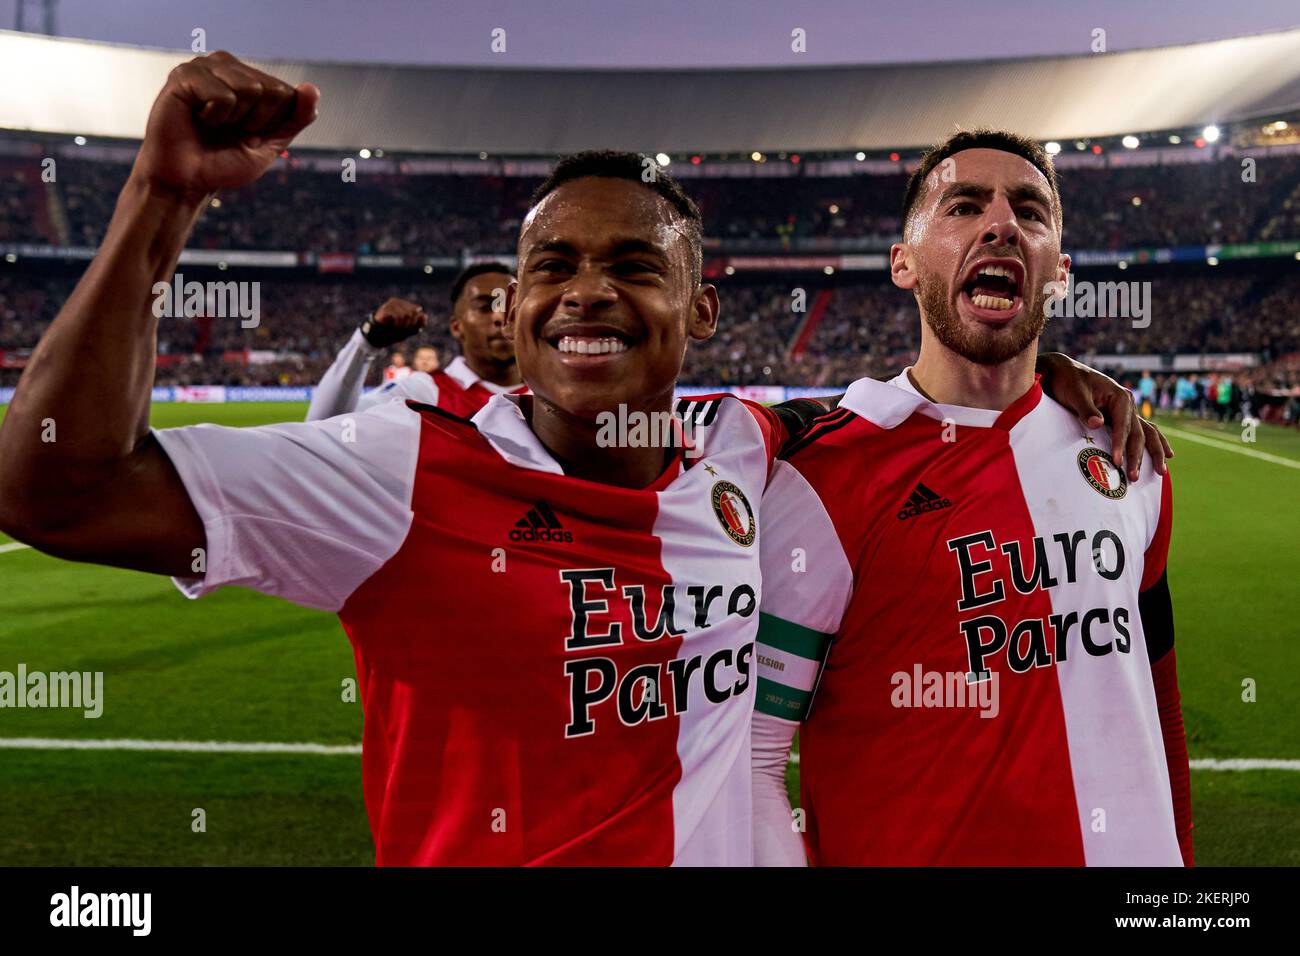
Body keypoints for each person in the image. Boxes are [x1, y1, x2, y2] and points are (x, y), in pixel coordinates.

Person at [0, 54, 1163, 866]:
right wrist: (158, 203)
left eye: (632, 264)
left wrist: (1052, 379)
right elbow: (56, 483)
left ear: (701, 311)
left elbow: (934, 409)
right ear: (511, 311)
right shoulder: (399, 468)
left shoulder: (747, 447)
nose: (587, 290)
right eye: (551, 265)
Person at [752, 129, 1190, 867]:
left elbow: (1160, 710)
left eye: (1029, 209)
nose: (1001, 224)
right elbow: (756, 762)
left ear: (1060, 271)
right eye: (962, 206)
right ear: (904, 262)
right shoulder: (818, 482)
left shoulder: (1128, 456)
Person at [306, 263, 526, 421]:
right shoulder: (422, 395)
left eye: (509, 305)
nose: (500, 316)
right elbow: (322, 427)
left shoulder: (554, 394)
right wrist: (365, 343)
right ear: (456, 327)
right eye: (484, 307)